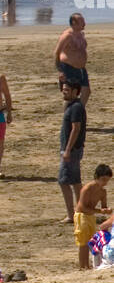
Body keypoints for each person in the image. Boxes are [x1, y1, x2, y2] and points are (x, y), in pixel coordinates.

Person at [73, 165, 112, 268]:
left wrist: (107, 210)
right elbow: (82, 207)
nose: (105, 183)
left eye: (107, 180)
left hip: (91, 216)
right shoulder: (87, 189)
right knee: (83, 242)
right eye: (103, 180)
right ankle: (82, 266)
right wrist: (100, 211)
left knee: (91, 241)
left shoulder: (103, 192)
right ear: (97, 177)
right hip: (81, 216)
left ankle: (88, 265)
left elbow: (104, 206)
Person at [58, 81, 87, 222]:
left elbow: (76, 129)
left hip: (72, 150)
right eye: (63, 89)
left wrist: (67, 150)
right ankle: (82, 211)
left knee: (64, 181)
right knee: (75, 181)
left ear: (76, 91)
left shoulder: (75, 107)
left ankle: (71, 215)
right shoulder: (73, 105)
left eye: (67, 90)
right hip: (74, 149)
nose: (64, 92)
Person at [55, 13, 90, 106]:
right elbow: (57, 53)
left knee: (86, 91)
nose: (84, 23)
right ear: (74, 23)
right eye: (82, 21)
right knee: (69, 95)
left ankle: (78, 111)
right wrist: (60, 71)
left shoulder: (81, 35)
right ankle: (68, 116)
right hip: (68, 68)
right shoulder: (67, 36)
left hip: (81, 69)